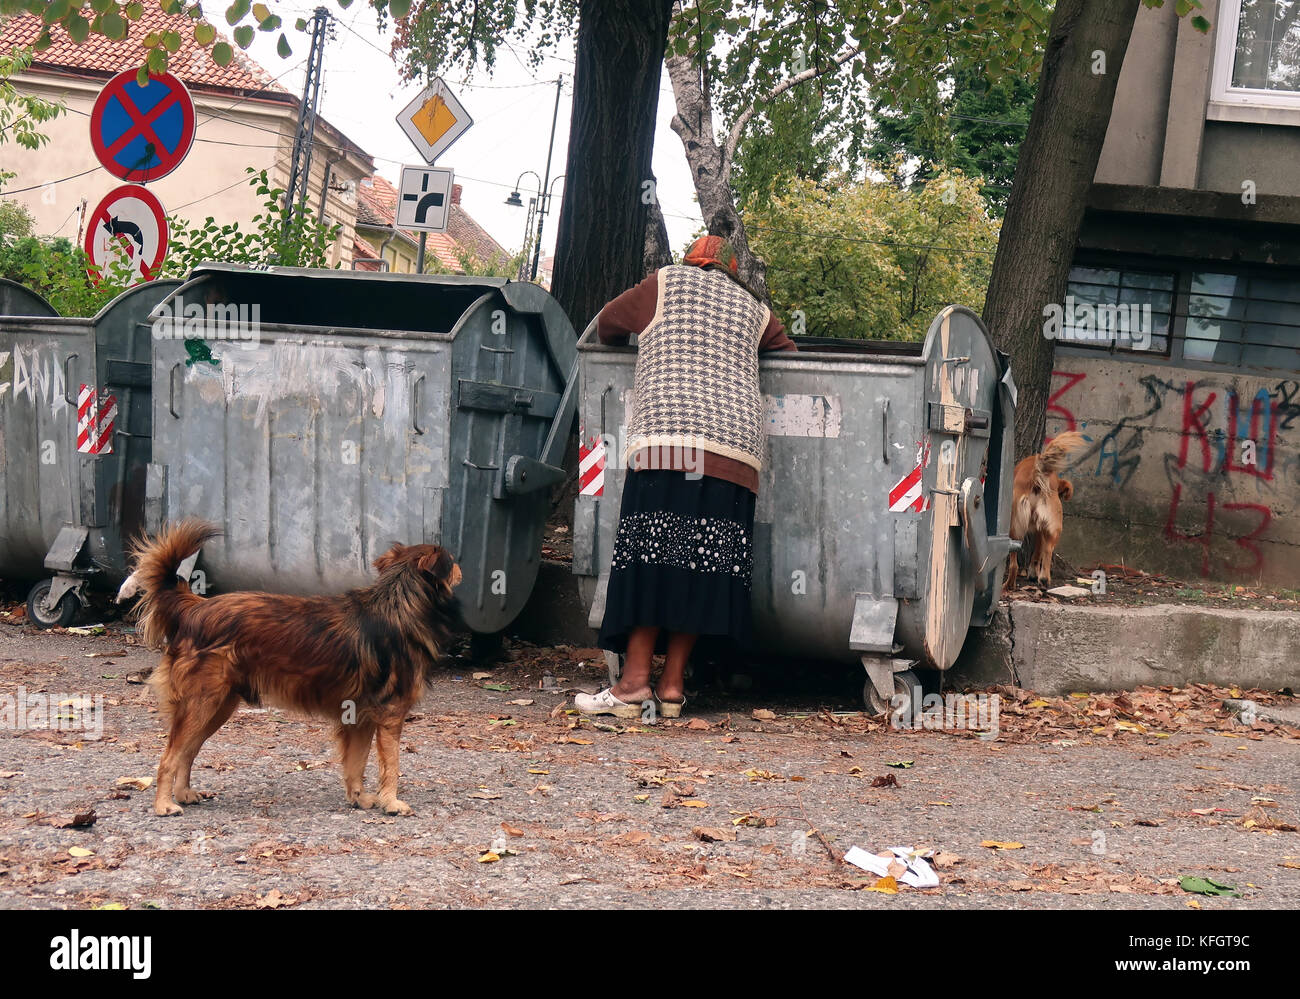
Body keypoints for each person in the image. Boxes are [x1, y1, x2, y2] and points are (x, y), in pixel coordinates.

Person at [574, 235, 796, 720]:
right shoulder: (754, 309)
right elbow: (788, 351)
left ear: (691, 261)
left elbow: (608, 324)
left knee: (650, 559)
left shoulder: (665, 284)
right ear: (731, 270)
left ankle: (633, 684)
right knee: (700, 564)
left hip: (670, 442)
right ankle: (672, 686)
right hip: (734, 452)